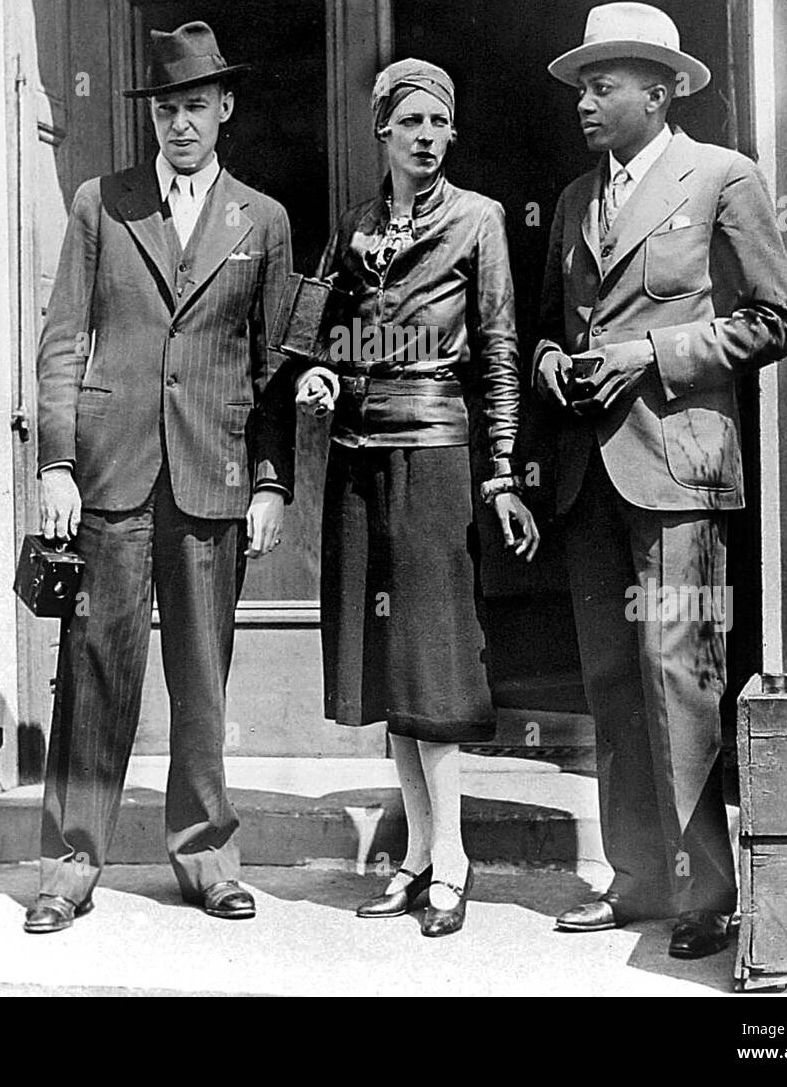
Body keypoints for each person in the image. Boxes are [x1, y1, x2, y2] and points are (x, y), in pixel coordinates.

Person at [534, 3, 787, 959]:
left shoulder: (724, 178)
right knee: (609, 677)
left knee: (677, 674)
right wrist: (553, 365)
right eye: (581, 88)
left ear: (661, 89)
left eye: (604, 86)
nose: (586, 103)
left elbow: (773, 320)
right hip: (589, 477)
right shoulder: (573, 201)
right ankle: (637, 876)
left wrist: (651, 352)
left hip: (681, 473)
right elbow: (547, 330)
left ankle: (704, 889)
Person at [25, 21, 294, 932]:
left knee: (202, 675)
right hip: (110, 473)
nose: (180, 124)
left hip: (212, 472)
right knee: (96, 668)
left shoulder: (263, 220)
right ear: (154, 116)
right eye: (166, 108)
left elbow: (274, 367)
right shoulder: (104, 203)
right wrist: (56, 462)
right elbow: (62, 340)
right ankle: (71, 860)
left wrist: (270, 480)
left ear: (226, 109)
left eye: (196, 106)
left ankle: (206, 855)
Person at [295, 59, 539, 937]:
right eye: (412, 124)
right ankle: (414, 858)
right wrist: (324, 374)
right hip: (360, 457)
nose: (428, 138)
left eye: (441, 123)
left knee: (431, 669)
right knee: (386, 666)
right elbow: (322, 335)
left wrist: (502, 467)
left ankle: (454, 862)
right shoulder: (354, 228)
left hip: (435, 453)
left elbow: (502, 349)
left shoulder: (480, 222)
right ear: (382, 132)